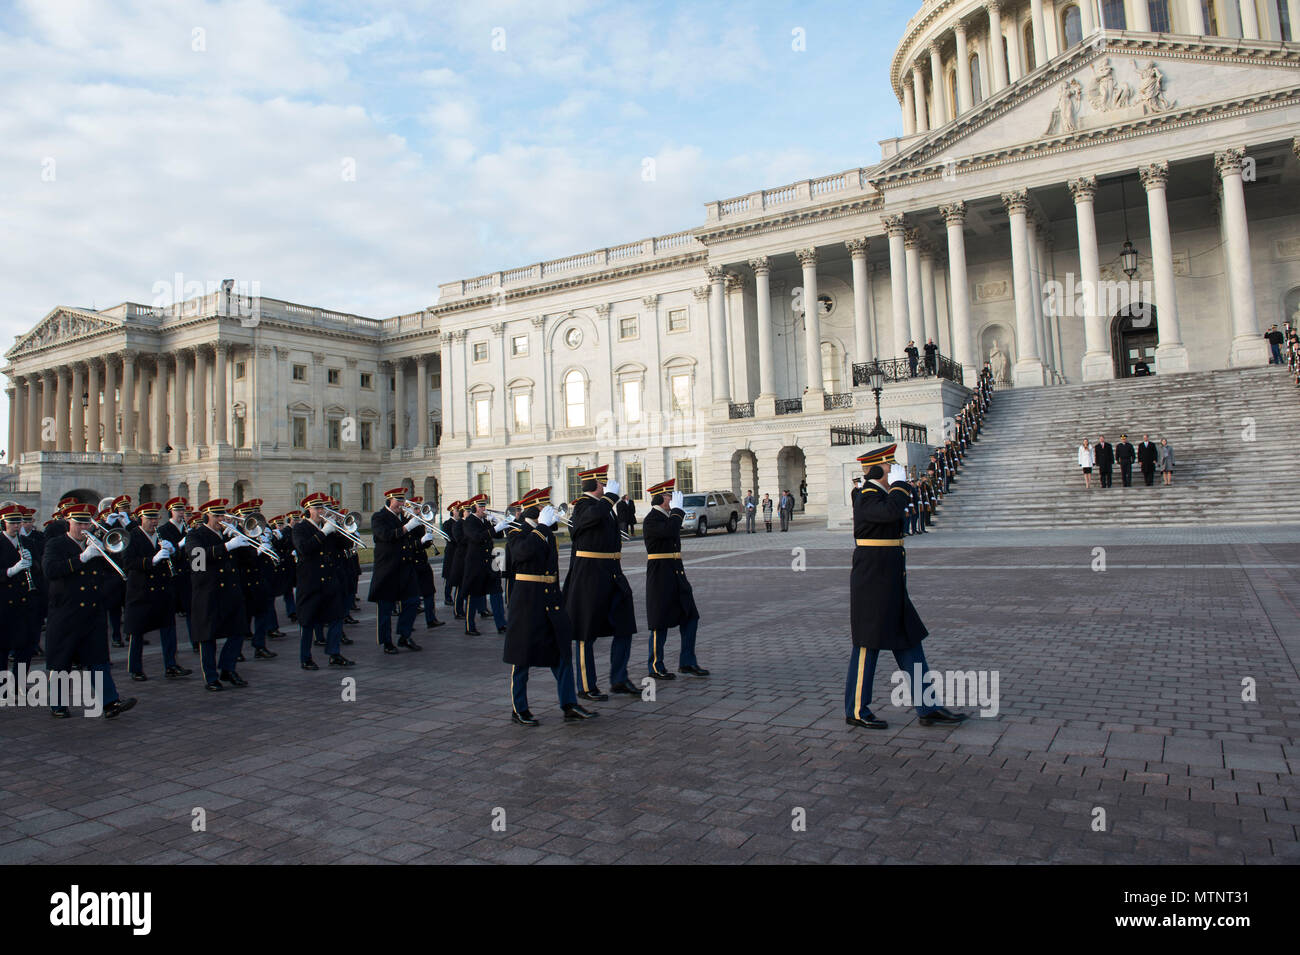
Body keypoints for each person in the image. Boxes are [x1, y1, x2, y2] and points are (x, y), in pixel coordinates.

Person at [845, 446, 968, 731]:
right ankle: (856, 710)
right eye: (891, 466)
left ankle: (928, 707)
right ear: (877, 470)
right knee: (867, 644)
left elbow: (898, 507)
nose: (894, 470)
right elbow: (889, 514)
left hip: (890, 578)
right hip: (873, 581)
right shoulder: (865, 496)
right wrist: (900, 484)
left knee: (908, 640)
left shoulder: (883, 495)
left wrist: (899, 486)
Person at [503, 488, 597, 726]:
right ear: (533, 510)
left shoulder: (547, 532)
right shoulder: (515, 530)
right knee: (522, 658)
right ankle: (519, 709)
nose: (549, 511)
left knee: (561, 654)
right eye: (544, 507)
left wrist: (545, 528)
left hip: (551, 602)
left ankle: (569, 704)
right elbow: (521, 554)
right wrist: (541, 528)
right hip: (527, 604)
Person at [41, 504, 137, 718]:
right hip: (66, 612)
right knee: (61, 661)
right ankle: (58, 704)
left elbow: (114, 571)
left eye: (87, 523)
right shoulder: (56, 544)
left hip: (92, 612)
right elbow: (50, 570)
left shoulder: (96, 544)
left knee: (98, 660)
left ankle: (110, 702)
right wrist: (82, 558)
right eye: (79, 523)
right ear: (69, 522)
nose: (84, 527)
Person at [562, 463, 637, 700]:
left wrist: (609, 502)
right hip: (590, 576)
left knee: (624, 626)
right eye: (603, 483)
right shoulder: (583, 505)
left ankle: (619, 678)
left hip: (612, 572)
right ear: (595, 484)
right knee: (586, 632)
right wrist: (610, 499)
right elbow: (584, 523)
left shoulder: (604, 506)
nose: (606, 487)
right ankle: (586, 686)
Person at [642, 479, 708, 681]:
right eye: (670, 495)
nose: (673, 499)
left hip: (676, 573)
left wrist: (675, 513)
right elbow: (670, 531)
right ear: (662, 497)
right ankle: (655, 665)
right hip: (660, 575)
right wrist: (678, 512)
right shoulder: (652, 519)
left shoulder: (669, 516)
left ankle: (687, 662)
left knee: (690, 617)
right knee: (659, 622)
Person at [187, 499, 251, 690]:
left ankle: (228, 668)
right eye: (216, 516)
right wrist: (227, 547)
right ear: (207, 515)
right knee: (208, 637)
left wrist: (245, 539)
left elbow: (247, 561)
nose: (221, 519)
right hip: (209, 592)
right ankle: (211, 676)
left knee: (238, 630)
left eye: (222, 515)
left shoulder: (227, 535)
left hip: (230, 592)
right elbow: (197, 559)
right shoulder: (196, 535)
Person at [122, 501, 190, 681]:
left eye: (155, 518)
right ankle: (135, 668)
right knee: (137, 632)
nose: (153, 522)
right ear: (140, 519)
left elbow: (176, 559)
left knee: (168, 629)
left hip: (162, 589)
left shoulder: (162, 535)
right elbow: (128, 563)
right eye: (149, 518)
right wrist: (152, 560)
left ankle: (171, 665)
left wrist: (173, 550)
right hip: (141, 591)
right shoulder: (132, 536)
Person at [293, 492, 353, 670]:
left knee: (336, 618)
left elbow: (346, 545)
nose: (321, 511)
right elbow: (304, 548)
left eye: (323, 508)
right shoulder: (300, 528)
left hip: (329, 581)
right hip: (310, 582)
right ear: (308, 510)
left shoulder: (329, 527)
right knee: (308, 622)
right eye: (317, 508)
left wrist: (342, 527)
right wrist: (324, 532)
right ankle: (306, 658)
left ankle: (334, 653)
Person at [368, 487, 425, 652]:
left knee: (413, 601)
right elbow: (385, 535)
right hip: (388, 568)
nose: (401, 504)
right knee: (385, 607)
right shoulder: (379, 517)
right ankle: (386, 642)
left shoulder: (404, 517)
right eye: (398, 501)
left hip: (405, 567)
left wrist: (418, 520)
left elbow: (418, 536)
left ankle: (404, 635)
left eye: (402, 501)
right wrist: (407, 526)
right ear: (389, 501)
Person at [461, 495, 508, 635]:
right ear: (474, 507)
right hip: (476, 563)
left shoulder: (485, 521)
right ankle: (470, 627)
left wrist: (497, 524)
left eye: (484, 506)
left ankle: (501, 624)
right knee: (473, 595)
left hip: (490, 562)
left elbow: (498, 536)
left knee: (497, 593)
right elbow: (476, 537)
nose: (484, 509)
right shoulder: (469, 521)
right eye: (480, 506)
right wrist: (494, 529)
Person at [1, 504, 39, 678]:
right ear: (4, 523)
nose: (17, 526)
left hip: (26, 602)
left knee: (26, 646)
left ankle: (18, 683)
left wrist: (33, 563)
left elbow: (41, 570)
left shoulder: (29, 543)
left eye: (19, 522)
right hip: (4, 602)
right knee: (2, 646)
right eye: (12, 523)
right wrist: (12, 570)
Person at [441, 501, 460, 608]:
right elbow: (449, 538)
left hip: (459, 552)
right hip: (452, 552)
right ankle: (447, 597)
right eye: (457, 511)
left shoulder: (461, 523)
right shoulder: (447, 523)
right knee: (449, 575)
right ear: (452, 512)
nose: (458, 512)